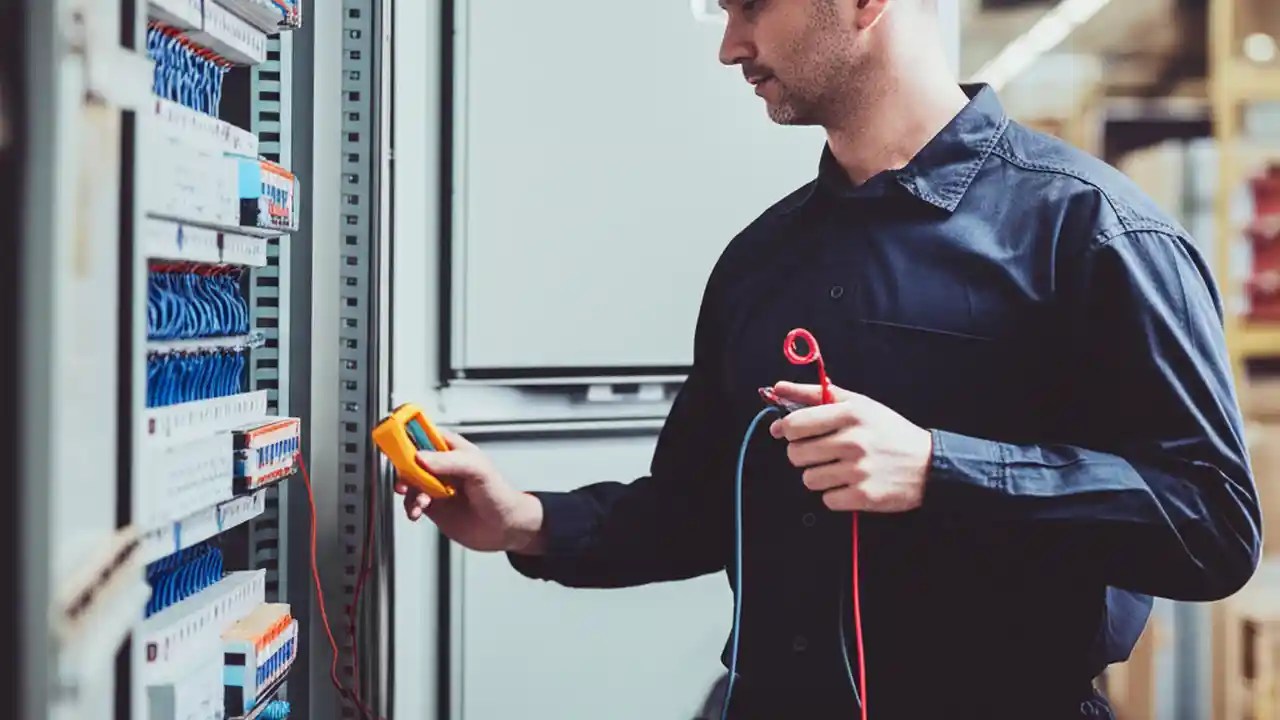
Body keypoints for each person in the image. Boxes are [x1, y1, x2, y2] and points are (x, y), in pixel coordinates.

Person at [395, 0, 1264, 717]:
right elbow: (700, 507)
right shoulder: (759, 261)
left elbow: (1214, 527)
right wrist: (527, 521)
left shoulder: (1094, 233)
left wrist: (939, 467)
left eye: (751, 7)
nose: (731, 45)